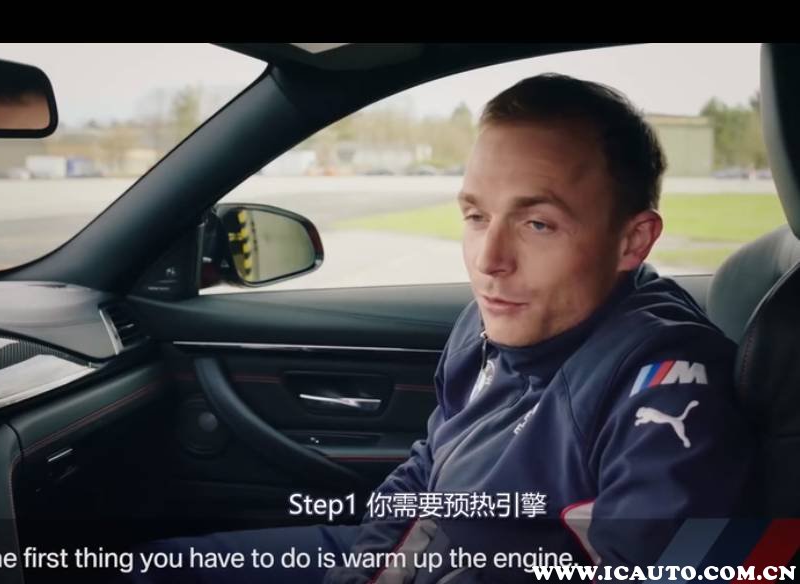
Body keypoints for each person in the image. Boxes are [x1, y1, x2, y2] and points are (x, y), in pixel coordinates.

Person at [118, 74, 755, 584]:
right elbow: (429, 464)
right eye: (476, 216)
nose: (489, 260)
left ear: (632, 241)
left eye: (537, 224)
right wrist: (370, 567)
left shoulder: (666, 377)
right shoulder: (488, 324)